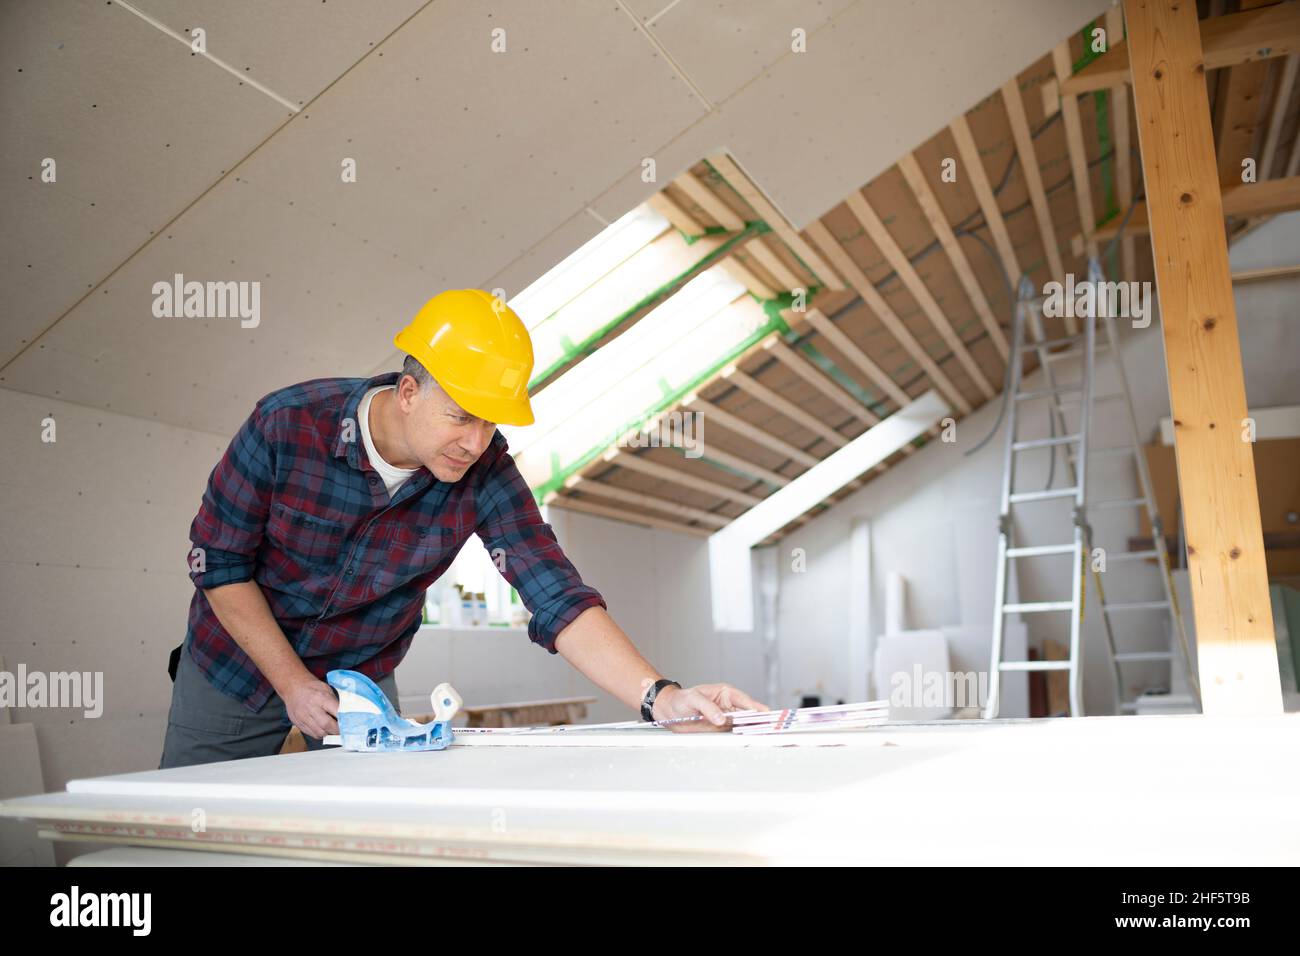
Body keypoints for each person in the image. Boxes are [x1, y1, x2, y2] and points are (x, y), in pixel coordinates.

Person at [160, 289, 767, 767]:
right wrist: (292, 682)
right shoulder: (287, 425)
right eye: (460, 417)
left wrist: (659, 697)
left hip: (362, 685)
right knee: (186, 836)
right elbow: (219, 563)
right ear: (407, 392)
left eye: (491, 424)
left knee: (367, 840)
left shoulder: (486, 471)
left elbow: (555, 593)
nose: (475, 443)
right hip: (233, 671)